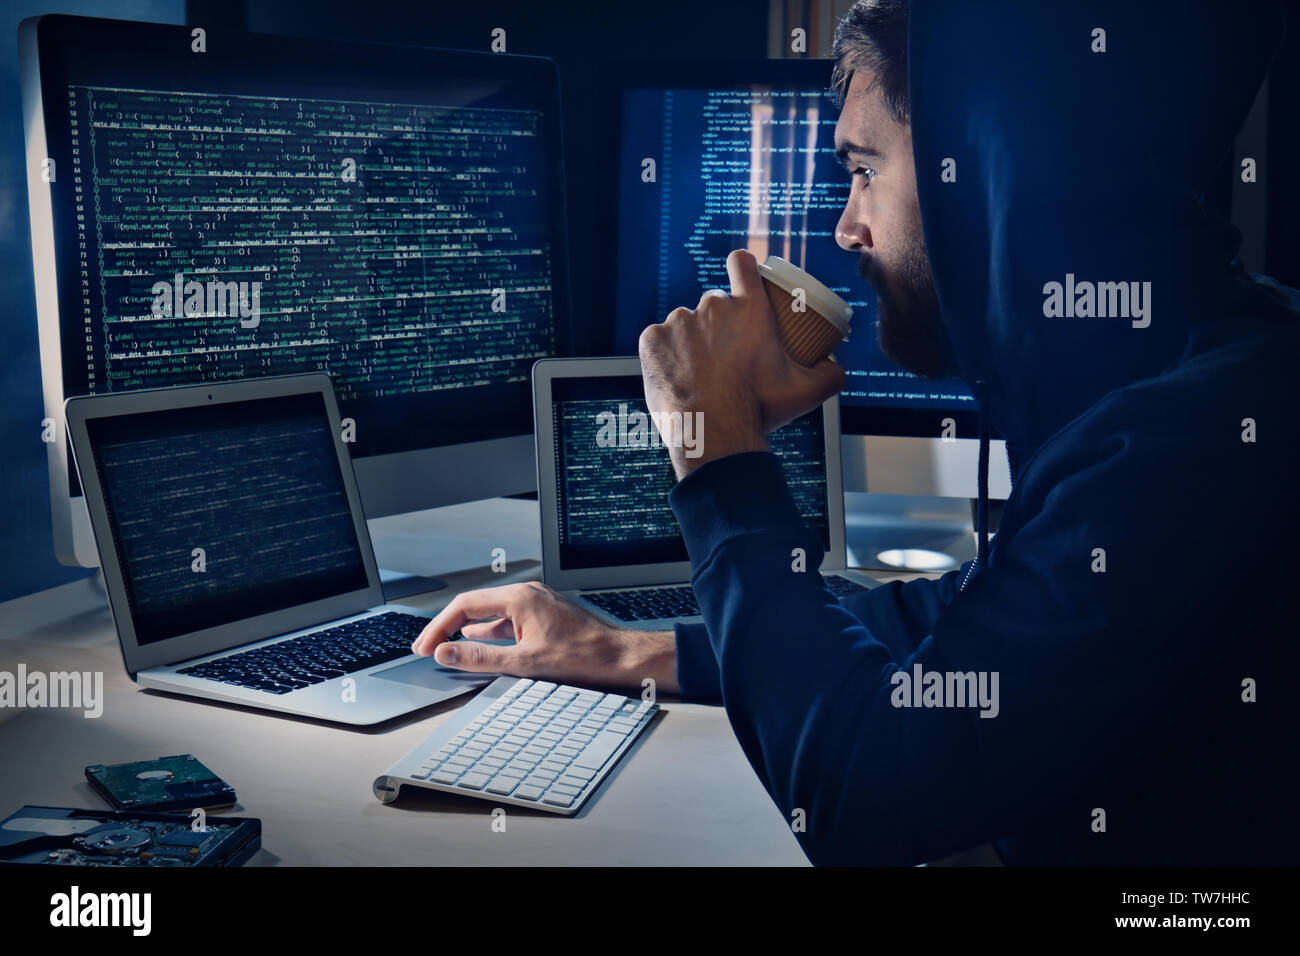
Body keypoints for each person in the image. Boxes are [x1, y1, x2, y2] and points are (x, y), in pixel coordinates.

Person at [413, 0, 1298, 864]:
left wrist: (717, 451)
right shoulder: (1192, 379)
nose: (844, 226)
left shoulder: (1193, 447)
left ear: (993, 172)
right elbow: (966, 623)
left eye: (865, 168)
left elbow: (861, 799)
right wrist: (621, 648)